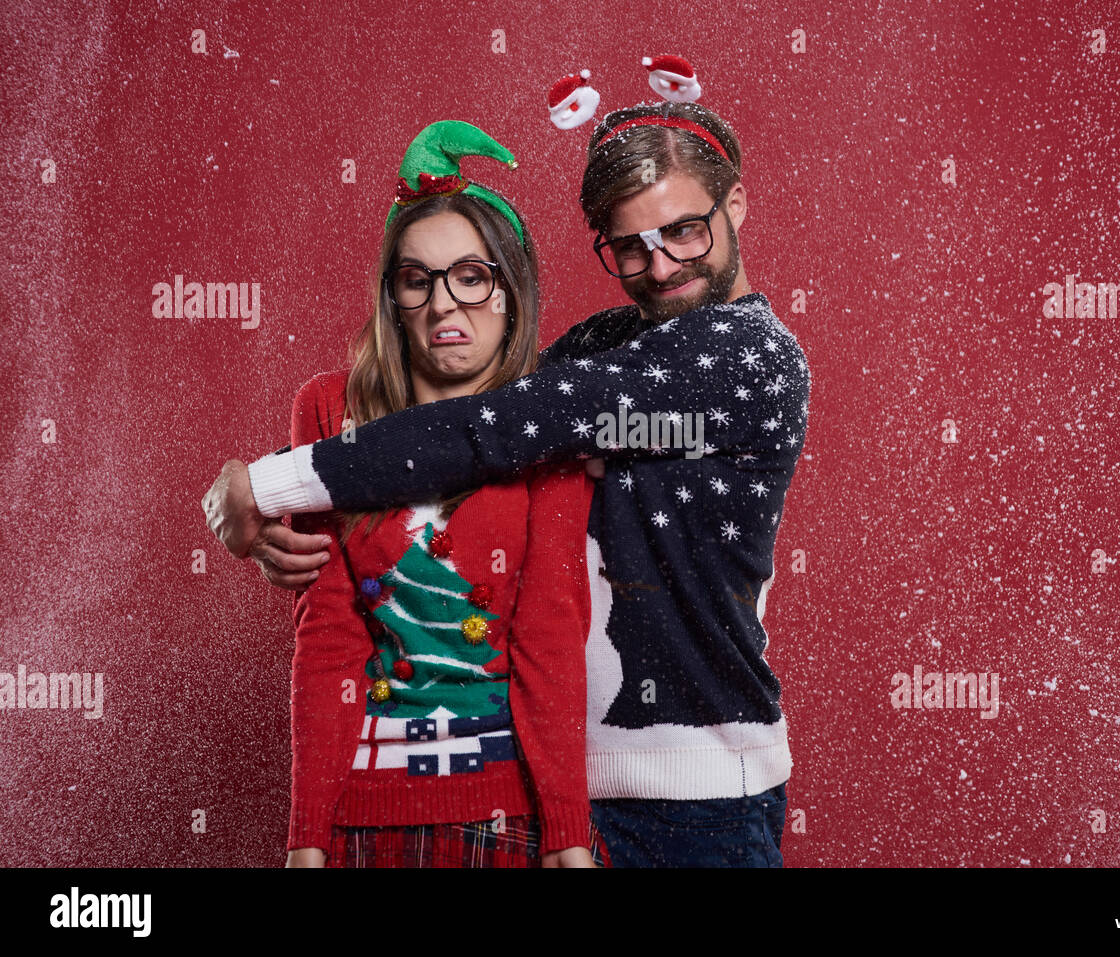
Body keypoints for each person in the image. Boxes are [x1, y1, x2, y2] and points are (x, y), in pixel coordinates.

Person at [205, 100, 811, 868]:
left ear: (736, 205)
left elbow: (486, 427)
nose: (661, 266)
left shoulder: (747, 357)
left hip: (693, 801)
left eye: (686, 231)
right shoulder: (606, 344)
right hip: (551, 786)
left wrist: (261, 486)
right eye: (630, 247)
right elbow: (449, 418)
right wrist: (279, 523)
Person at [282, 119, 602, 868]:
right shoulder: (329, 410)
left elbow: (550, 640)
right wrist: (306, 838)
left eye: (472, 273)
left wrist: (569, 836)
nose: (444, 302)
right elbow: (327, 636)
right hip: (363, 820)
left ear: (510, 290)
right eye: (416, 277)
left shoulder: (547, 424)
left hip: (506, 816)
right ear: (394, 297)